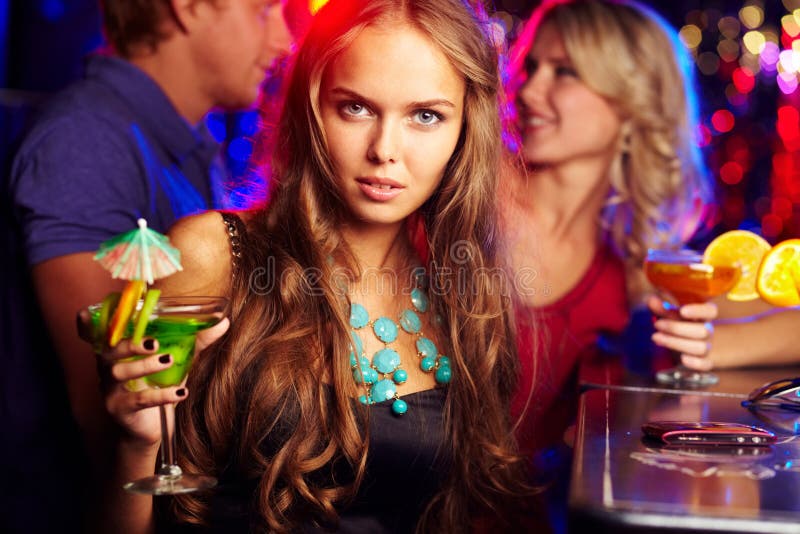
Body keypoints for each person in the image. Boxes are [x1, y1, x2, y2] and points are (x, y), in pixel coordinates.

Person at [93, 0, 529, 531]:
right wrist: (136, 446)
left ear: (466, 128)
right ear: (312, 105)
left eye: (425, 116)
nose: (384, 150)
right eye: (356, 108)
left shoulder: (463, 293)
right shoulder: (215, 256)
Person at [2, 1, 292, 531]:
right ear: (189, 8)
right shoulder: (85, 142)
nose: (283, 40)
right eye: (264, 10)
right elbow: (112, 410)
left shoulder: (188, 140)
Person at [503, 0, 713, 460]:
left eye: (565, 72)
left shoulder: (634, 273)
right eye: (531, 66)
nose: (528, 90)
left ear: (632, 103)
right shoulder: (462, 196)